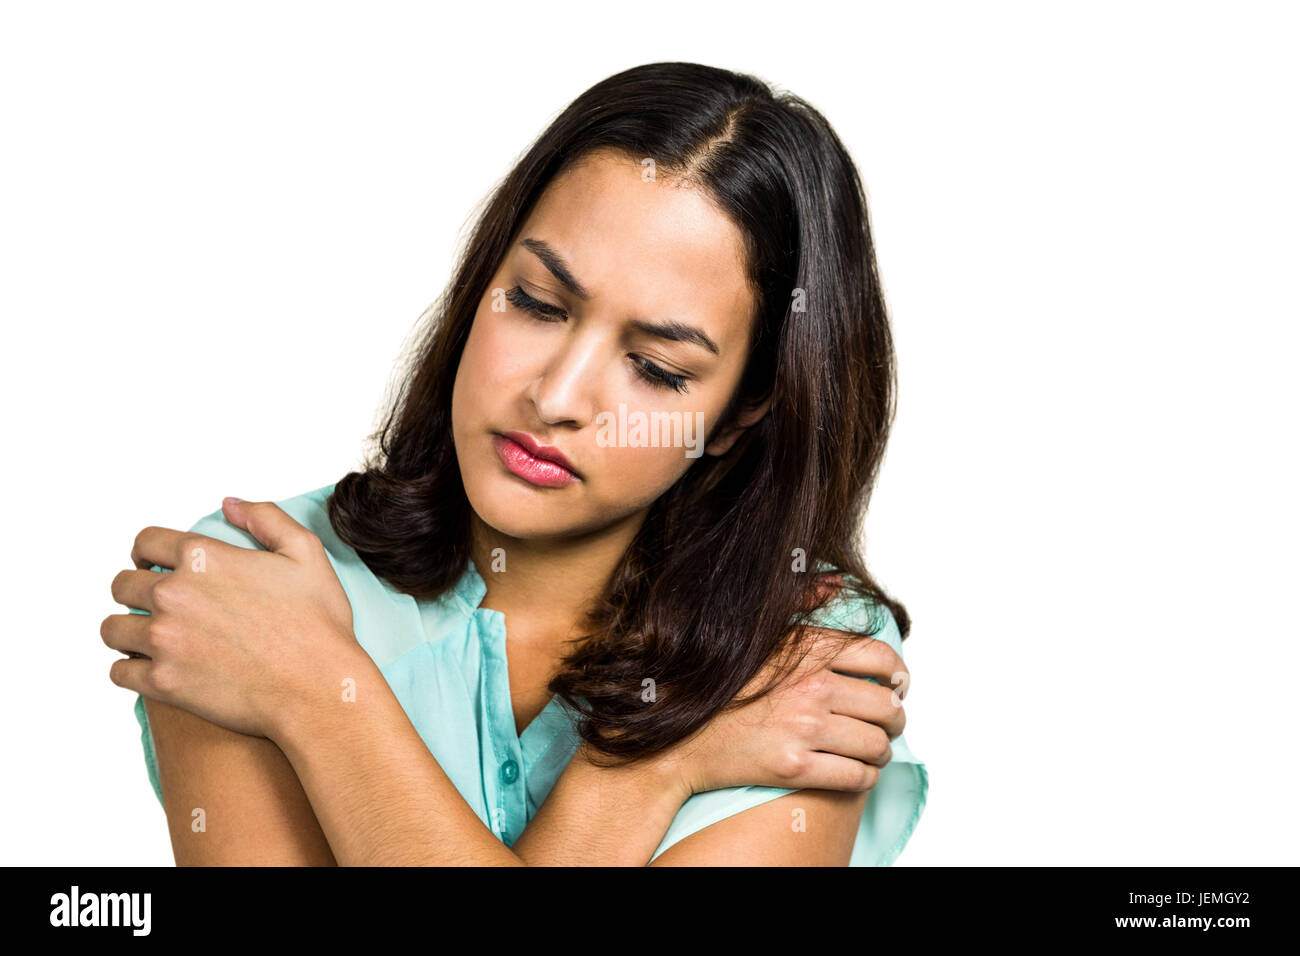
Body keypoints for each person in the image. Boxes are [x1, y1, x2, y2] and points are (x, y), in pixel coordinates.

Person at [104, 61, 928, 865]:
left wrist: (314, 695)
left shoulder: (800, 650)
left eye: (657, 367)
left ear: (739, 413)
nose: (558, 397)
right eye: (537, 304)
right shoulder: (249, 585)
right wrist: (664, 767)